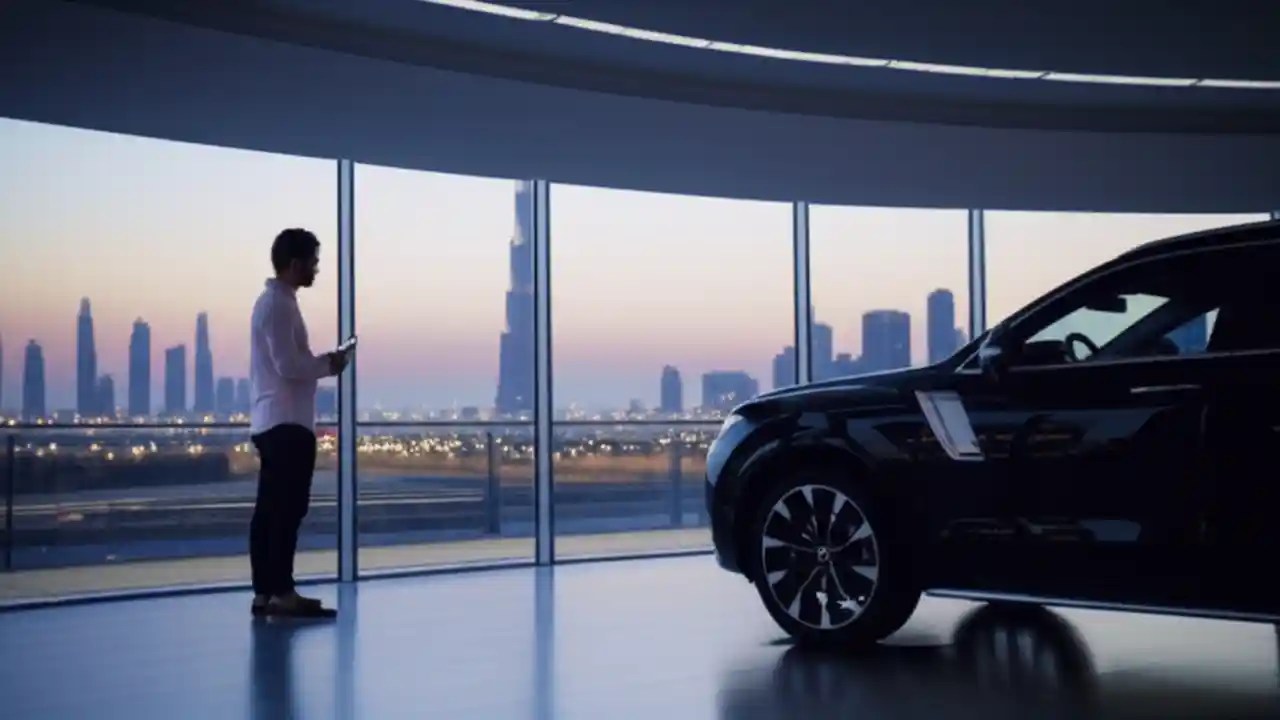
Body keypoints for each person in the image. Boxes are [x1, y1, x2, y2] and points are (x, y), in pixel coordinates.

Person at [248, 228, 350, 618]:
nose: (316, 269)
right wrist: (328, 364)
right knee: (287, 511)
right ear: (295, 264)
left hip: (275, 421)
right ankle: (282, 592)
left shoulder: (274, 303)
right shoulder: (278, 306)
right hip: (286, 423)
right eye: (313, 262)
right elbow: (288, 365)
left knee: (270, 510)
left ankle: (266, 592)